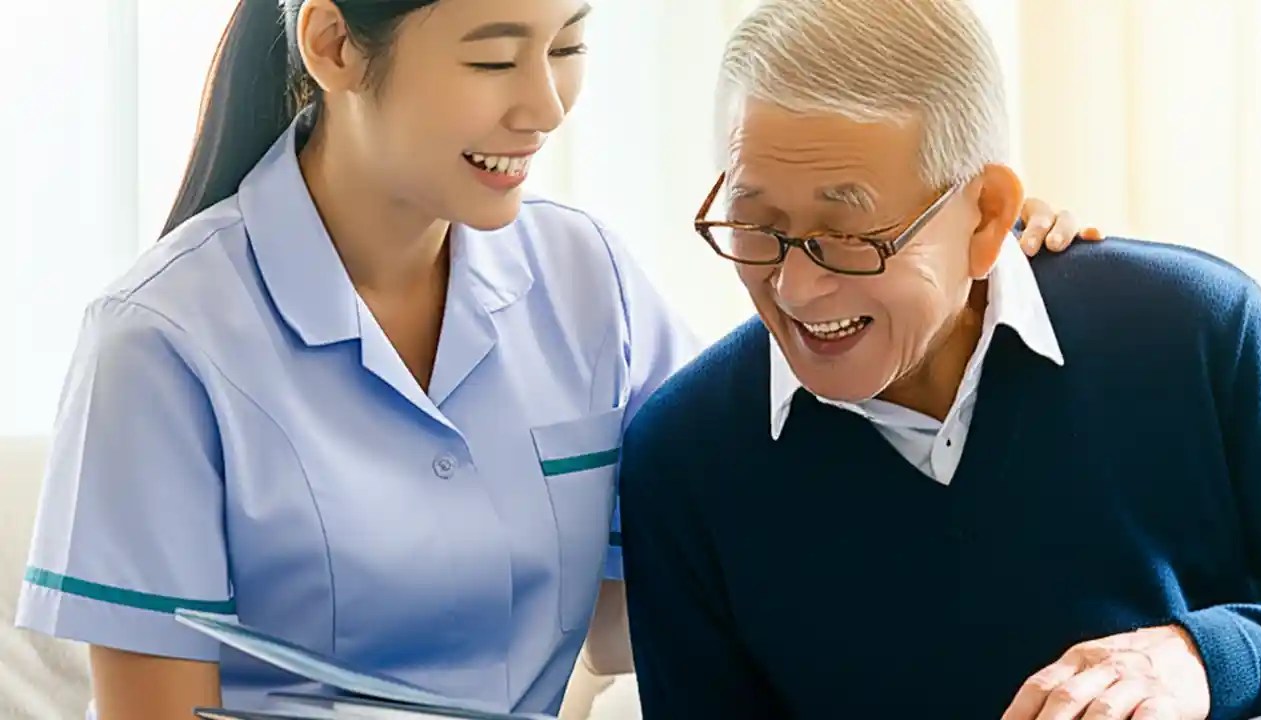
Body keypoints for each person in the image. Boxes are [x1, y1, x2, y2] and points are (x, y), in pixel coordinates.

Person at [14, 0, 1090, 718]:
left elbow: (736, 538)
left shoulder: (588, 281)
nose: (545, 104)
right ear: (336, 47)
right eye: (493, 57)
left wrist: (958, 250)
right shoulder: (164, 343)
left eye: (566, 46)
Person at [618, 1, 1261, 719]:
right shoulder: (682, 459)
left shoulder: (1200, 331)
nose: (793, 287)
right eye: (758, 224)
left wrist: (1199, 659)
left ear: (989, 213)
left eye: (849, 234)